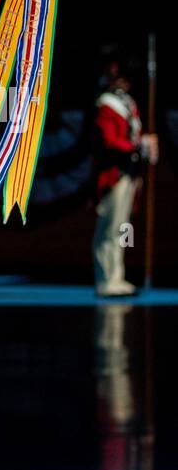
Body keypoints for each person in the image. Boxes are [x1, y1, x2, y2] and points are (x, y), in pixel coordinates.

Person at [91, 58, 158, 297]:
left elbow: (135, 133)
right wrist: (136, 145)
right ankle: (105, 278)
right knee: (109, 228)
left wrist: (145, 145)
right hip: (114, 172)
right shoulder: (107, 104)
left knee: (121, 228)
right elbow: (110, 141)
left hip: (130, 172)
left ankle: (117, 276)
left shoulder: (127, 103)